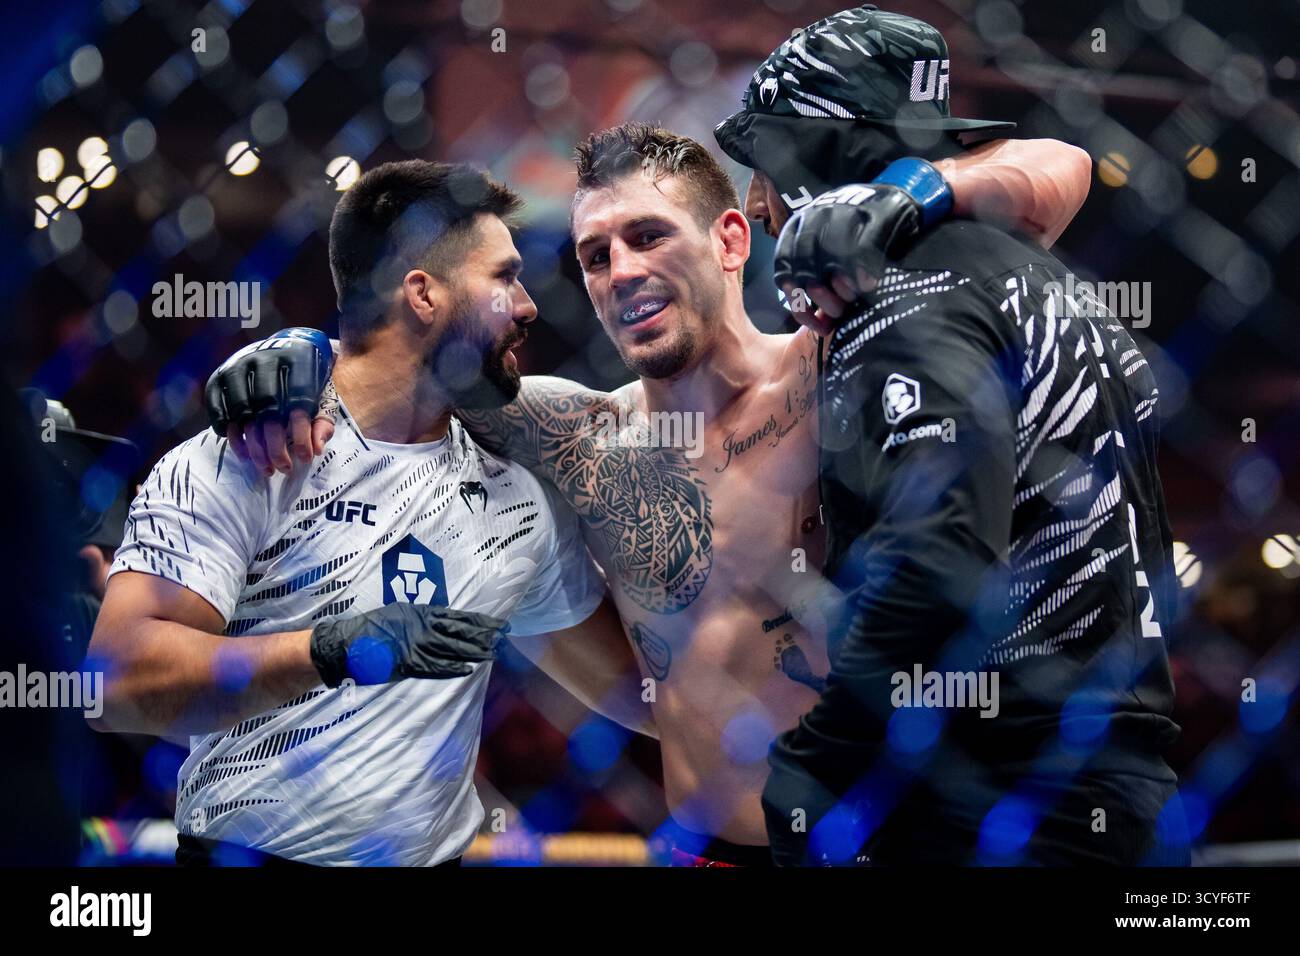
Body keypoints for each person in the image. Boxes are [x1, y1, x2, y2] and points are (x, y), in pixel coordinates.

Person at [205, 15, 1092, 863]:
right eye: (595, 254)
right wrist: (303, 352)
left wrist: (919, 193)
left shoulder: (838, 368)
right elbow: (399, 368)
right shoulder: (572, 431)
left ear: (732, 238)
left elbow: (1060, 171)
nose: (622, 270)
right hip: (707, 848)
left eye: (647, 235)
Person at [89, 161, 652, 867]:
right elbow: (116, 684)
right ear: (423, 294)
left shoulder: (514, 499)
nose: (530, 304)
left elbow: (642, 691)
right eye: (504, 277)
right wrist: (326, 650)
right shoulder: (249, 457)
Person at [738, 7, 1186, 865]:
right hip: (1118, 777)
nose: (759, 206)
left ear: (818, 158)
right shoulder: (1033, 270)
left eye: (764, 171)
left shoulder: (911, 296)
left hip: (1001, 792)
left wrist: (817, 760)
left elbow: (936, 553)